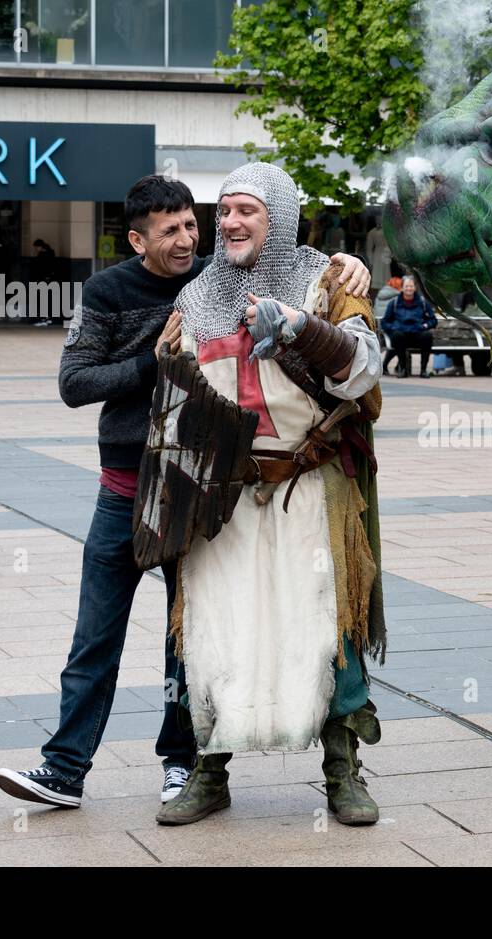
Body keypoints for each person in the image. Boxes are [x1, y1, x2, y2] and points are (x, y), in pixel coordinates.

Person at [156, 161, 384, 828]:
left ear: (278, 217)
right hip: (222, 498)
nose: (228, 222)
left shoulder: (328, 282)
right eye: (222, 211)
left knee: (326, 629)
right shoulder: (196, 297)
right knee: (210, 634)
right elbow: (173, 399)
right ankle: (209, 772)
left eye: (246, 211)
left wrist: (302, 329)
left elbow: (365, 374)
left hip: (309, 487)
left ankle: (343, 772)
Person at [381, 275, 438, 377]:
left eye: (411, 286)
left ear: (415, 288)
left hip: (417, 333)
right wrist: (393, 328)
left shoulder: (422, 302)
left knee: (427, 336)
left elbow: (433, 320)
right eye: (406, 286)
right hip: (401, 336)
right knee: (397, 335)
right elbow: (385, 322)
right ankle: (402, 369)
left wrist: (425, 326)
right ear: (402, 288)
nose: (409, 288)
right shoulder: (393, 303)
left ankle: (423, 370)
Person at [31, 239, 58, 327]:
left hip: (45, 280)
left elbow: (44, 267)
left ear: (40, 246)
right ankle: (47, 318)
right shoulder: (49, 253)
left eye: (36, 247)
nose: (35, 249)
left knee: (44, 300)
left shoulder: (46, 255)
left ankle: (46, 318)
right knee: (45, 300)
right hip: (46, 279)